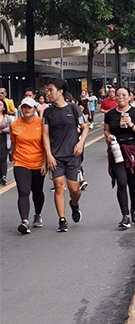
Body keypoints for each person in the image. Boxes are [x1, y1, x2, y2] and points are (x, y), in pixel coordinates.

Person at [42, 78, 88, 232]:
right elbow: (45, 135)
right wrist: (48, 155)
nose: (47, 93)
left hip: (73, 155)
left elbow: (85, 127)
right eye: (47, 90)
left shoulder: (74, 108)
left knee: (74, 189)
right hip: (56, 156)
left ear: (60, 91)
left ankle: (74, 205)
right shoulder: (47, 112)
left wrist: (80, 143)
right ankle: (62, 220)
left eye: (50, 90)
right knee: (58, 187)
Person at [103, 87, 135, 229]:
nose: (120, 97)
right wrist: (108, 136)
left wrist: (130, 124)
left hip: (133, 150)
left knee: (133, 183)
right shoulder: (110, 114)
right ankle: (125, 216)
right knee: (121, 182)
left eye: (124, 95)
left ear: (130, 97)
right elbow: (106, 130)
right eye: (117, 95)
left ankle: (134, 208)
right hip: (117, 150)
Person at [10, 97, 48, 233]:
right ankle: (24, 221)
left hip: (38, 163)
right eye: (24, 107)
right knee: (23, 191)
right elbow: (14, 143)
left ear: (35, 109)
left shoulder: (42, 123)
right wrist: (14, 158)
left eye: (29, 107)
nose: (27, 110)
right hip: (21, 162)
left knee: (37, 192)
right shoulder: (14, 125)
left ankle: (37, 215)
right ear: (21, 108)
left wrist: (45, 162)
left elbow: (46, 144)